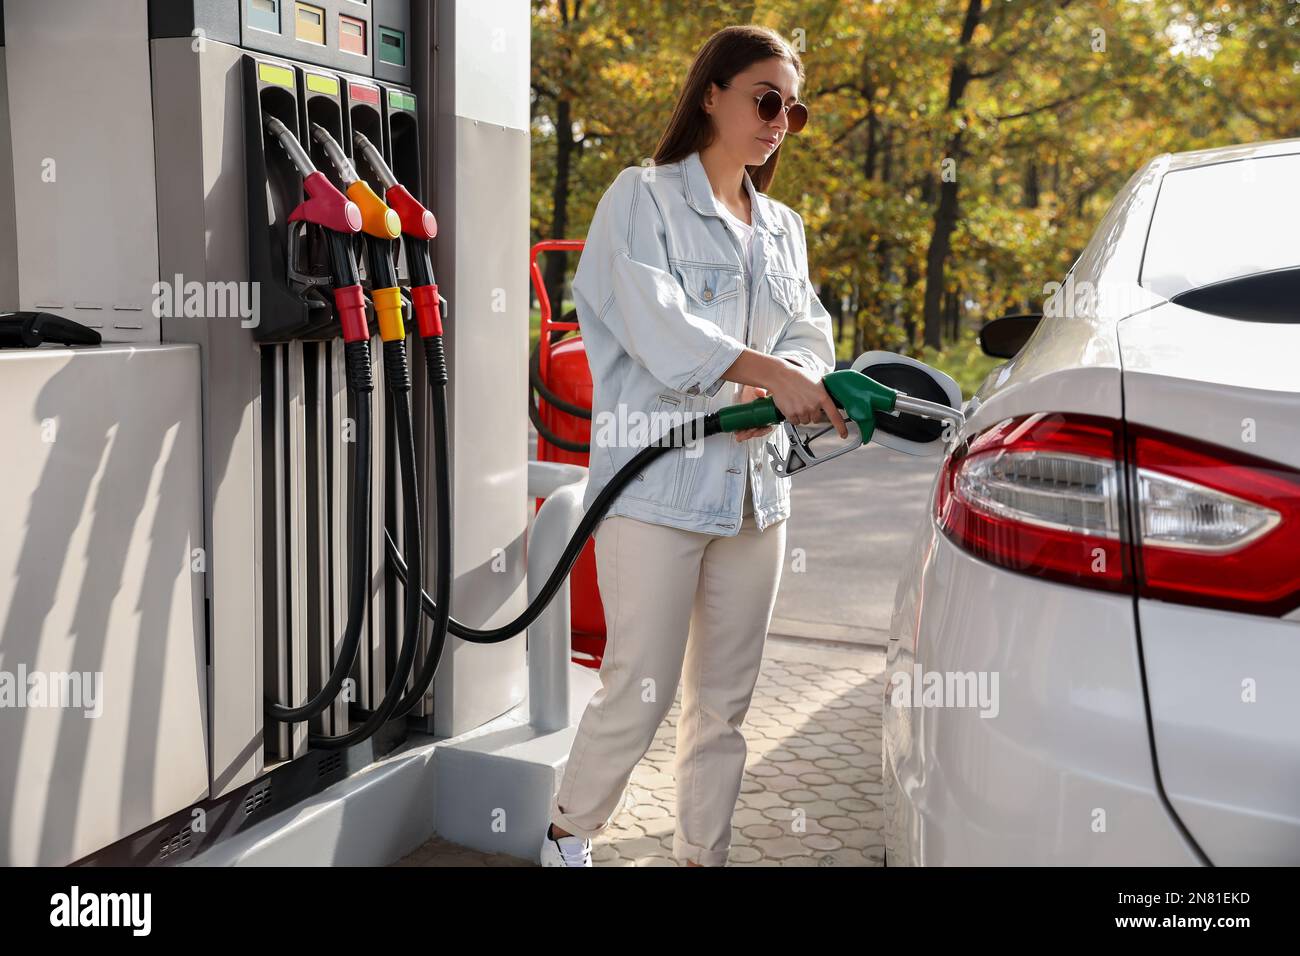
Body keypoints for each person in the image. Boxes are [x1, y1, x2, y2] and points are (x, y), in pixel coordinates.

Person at [539, 24, 845, 868]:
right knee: (638, 690)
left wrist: (803, 379)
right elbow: (660, 330)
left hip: (757, 495)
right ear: (712, 92)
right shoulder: (641, 199)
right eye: (766, 98)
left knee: (724, 706)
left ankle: (699, 854)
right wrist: (769, 375)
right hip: (657, 494)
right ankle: (568, 834)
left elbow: (813, 334)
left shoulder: (781, 228)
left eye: (795, 108)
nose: (780, 120)